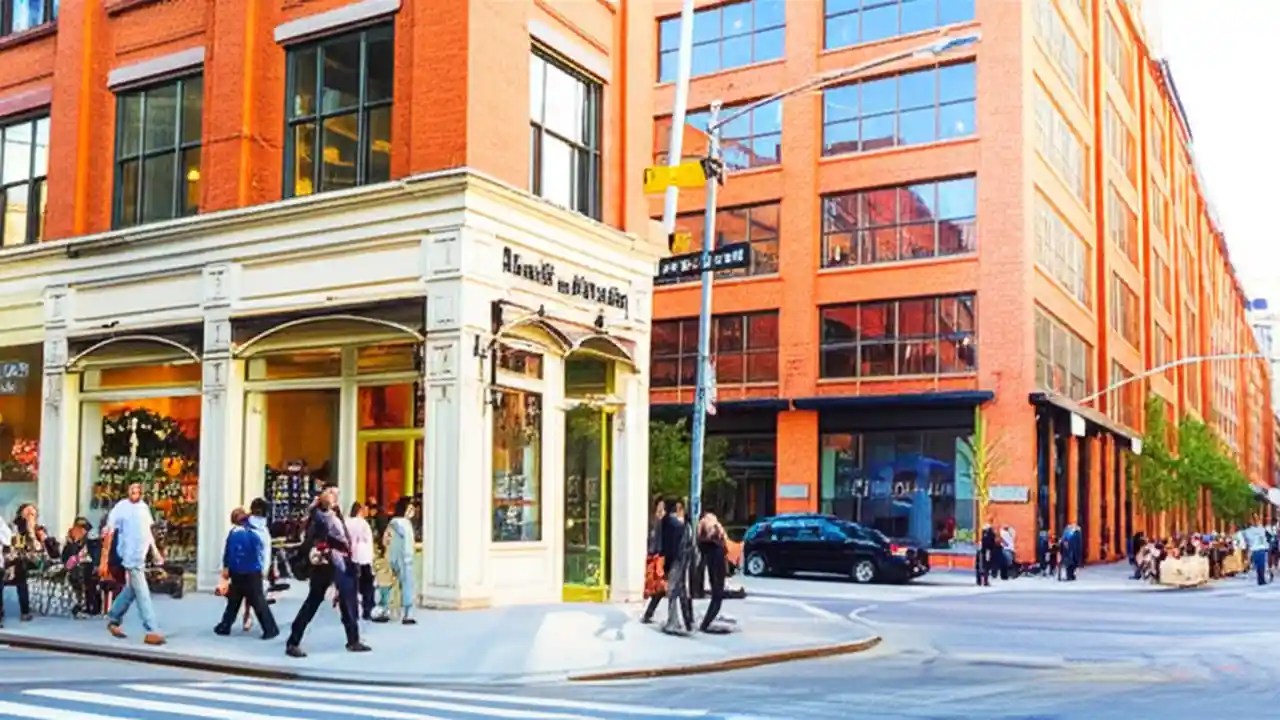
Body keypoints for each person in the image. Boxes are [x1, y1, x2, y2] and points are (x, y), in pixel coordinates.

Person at [285, 492, 368, 657]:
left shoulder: (326, 516)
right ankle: (294, 640)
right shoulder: (323, 519)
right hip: (331, 563)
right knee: (327, 601)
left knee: (335, 601)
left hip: (333, 562)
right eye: (334, 494)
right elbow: (324, 540)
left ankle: (353, 639)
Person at [99, 483, 166, 645]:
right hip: (129, 555)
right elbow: (109, 532)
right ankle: (152, 628)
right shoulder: (120, 508)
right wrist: (104, 560)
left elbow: (148, 533)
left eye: (138, 491)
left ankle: (114, 617)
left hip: (140, 554)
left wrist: (155, 552)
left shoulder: (144, 508)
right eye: (132, 491)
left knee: (132, 590)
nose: (135, 494)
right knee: (143, 593)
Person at [214, 508, 279, 639]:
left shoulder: (233, 534)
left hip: (237, 571)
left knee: (234, 601)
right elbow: (260, 551)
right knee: (257, 601)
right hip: (252, 571)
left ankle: (225, 626)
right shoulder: (254, 532)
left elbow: (228, 553)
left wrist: (226, 568)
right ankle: (270, 628)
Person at [7, 503, 45, 623]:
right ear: (20, 513)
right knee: (20, 574)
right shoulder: (15, 527)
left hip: (34, 562)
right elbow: (15, 546)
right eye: (27, 513)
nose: (30, 516)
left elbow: (42, 549)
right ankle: (25, 611)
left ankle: (26, 611)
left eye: (32, 514)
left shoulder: (38, 529)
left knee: (22, 575)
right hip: (17, 562)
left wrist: (34, 534)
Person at [384, 496, 417, 625]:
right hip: (405, 559)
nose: (412, 511)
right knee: (406, 586)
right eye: (410, 509)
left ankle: (388, 611)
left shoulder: (394, 523)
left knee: (392, 587)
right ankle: (407, 613)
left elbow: (387, 541)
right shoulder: (404, 524)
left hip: (394, 558)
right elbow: (407, 544)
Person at [697, 512, 729, 633]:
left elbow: (700, 545)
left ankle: (705, 624)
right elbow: (725, 543)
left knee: (716, 595)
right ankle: (705, 624)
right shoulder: (716, 529)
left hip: (711, 561)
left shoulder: (703, 535)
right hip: (718, 562)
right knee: (717, 597)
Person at [345, 502, 376, 621]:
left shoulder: (347, 523)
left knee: (353, 585)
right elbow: (368, 542)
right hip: (364, 558)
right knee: (367, 585)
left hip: (351, 558)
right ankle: (367, 610)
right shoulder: (363, 524)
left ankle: (353, 611)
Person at [1242, 518, 1270, 586]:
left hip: (1254, 549)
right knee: (1261, 565)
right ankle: (1261, 580)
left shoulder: (1246, 532)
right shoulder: (1261, 529)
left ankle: (1260, 580)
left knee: (1258, 565)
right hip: (1261, 548)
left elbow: (1246, 541)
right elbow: (1268, 537)